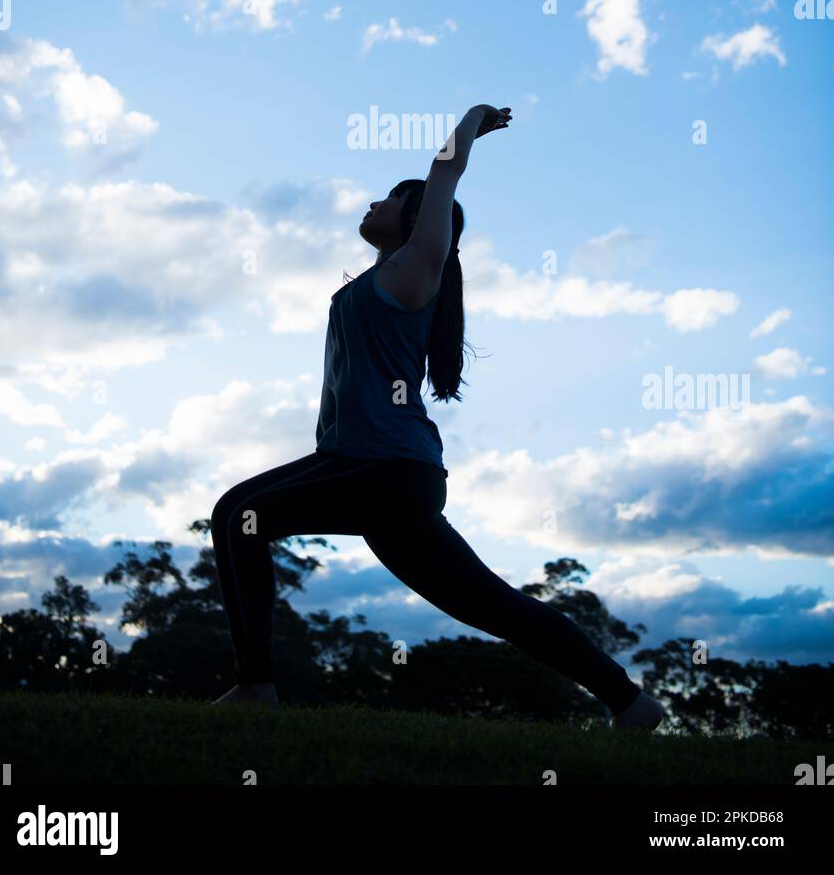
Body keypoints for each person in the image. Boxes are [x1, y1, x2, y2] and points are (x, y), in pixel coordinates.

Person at [210, 103, 663, 731]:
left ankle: (255, 687)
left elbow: (443, 173)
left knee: (239, 516)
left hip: (389, 468)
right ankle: (631, 703)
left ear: (420, 220)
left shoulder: (416, 269)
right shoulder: (371, 285)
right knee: (493, 606)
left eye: (392, 198)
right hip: (366, 467)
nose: (374, 204)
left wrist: (473, 118)